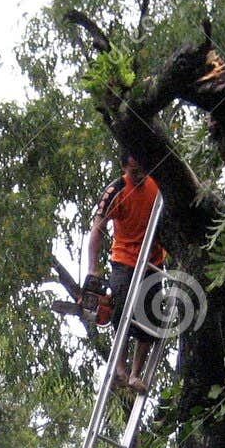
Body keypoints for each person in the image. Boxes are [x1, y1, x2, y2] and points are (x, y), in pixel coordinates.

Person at [87, 152, 164, 392]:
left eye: (142, 170)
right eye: (134, 172)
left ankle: (135, 374)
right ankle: (119, 369)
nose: (139, 176)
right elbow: (97, 230)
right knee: (120, 309)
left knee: (149, 319)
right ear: (124, 168)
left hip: (153, 259)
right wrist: (93, 271)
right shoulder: (116, 190)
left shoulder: (159, 183)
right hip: (124, 259)